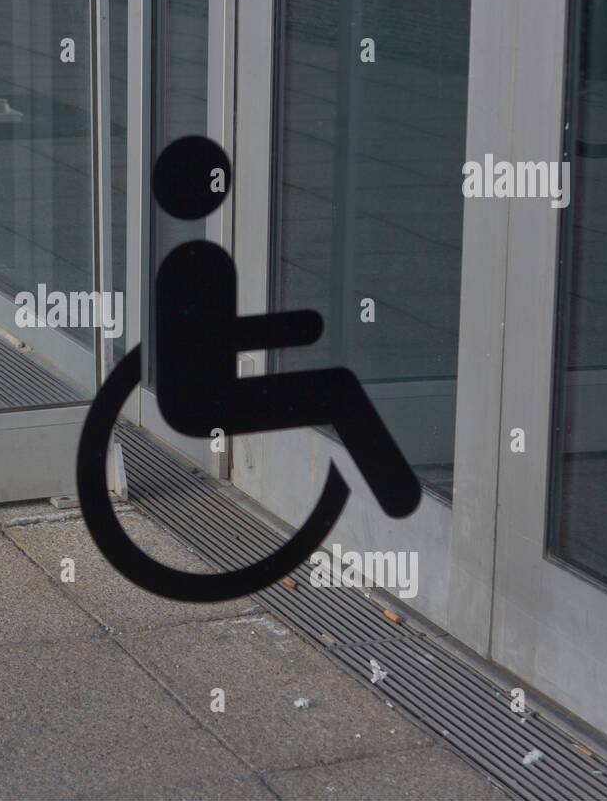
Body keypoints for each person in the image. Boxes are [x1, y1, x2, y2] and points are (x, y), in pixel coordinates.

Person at [152, 135, 421, 519]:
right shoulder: (200, 260)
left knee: (336, 387)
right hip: (201, 404)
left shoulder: (180, 257)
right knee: (337, 387)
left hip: (194, 398)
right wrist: (299, 327)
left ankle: (398, 494)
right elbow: (212, 339)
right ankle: (400, 496)